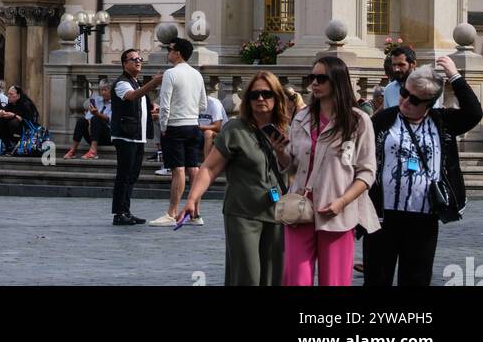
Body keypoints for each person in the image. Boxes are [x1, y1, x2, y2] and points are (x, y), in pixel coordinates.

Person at [364, 56, 482, 287]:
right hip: (382, 214)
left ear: (429, 103)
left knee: (416, 278)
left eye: (415, 100)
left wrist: (455, 76)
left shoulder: (442, 121)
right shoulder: (385, 119)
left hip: (423, 216)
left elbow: (474, 113)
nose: (405, 101)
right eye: (404, 93)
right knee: (376, 278)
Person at [275, 55, 379, 287]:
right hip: (299, 210)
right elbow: (290, 166)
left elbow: (367, 172)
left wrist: (342, 202)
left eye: (321, 78)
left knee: (335, 281)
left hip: (337, 211)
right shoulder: (301, 117)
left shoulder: (358, 121)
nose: (314, 83)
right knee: (296, 280)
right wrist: (280, 151)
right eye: (312, 77)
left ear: (338, 81)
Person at [179, 70, 290, 286]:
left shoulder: (288, 128)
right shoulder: (235, 129)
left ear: (276, 97)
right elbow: (209, 168)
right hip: (242, 213)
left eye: (266, 94)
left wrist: (282, 152)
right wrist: (192, 199)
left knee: (273, 276)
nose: (260, 99)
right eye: (254, 95)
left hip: (279, 213)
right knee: (247, 275)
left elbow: (294, 170)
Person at [149, 39, 208, 227]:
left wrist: (164, 126)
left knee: (178, 170)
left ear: (178, 53)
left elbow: (164, 104)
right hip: (193, 125)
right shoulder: (197, 74)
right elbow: (203, 104)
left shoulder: (171, 74)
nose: (168, 52)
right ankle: (196, 213)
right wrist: (192, 114)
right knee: (193, 168)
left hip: (175, 126)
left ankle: (172, 213)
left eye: (170, 49)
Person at [110, 49, 163, 226]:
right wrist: (153, 83)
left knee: (132, 176)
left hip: (137, 136)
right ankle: (119, 213)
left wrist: (154, 109)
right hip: (125, 136)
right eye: (133, 59)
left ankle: (126, 210)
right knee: (124, 175)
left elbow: (142, 103)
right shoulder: (122, 83)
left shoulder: (135, 82)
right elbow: (131, 96)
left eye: (140, 58)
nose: (138, 61)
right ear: (124, 64)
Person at [64, 82, 112, 160]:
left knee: (96, 118)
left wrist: (97, 114)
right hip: (93, 133)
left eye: (105, 90)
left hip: (107, 136)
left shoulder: (116, 103)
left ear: (111, 91)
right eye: (101, 90)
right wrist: (90, 122)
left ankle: (93, 152)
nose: (102, 92)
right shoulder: (97, 100)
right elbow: (88, 116)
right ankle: (72, 151)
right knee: (81, 121)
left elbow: (109, 119)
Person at [0, 84, 40, 149]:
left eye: (11, 94)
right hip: (14, 128)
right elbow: (5, 110)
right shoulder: (11, 104)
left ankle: (16, 145)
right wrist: (1, 112)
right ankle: (9, 146)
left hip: (27, 128)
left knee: (14, 122)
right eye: (8, 94)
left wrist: (14, 115)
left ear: (18, 95)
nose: (8, 96)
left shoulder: (26, 104)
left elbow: (29, 121)